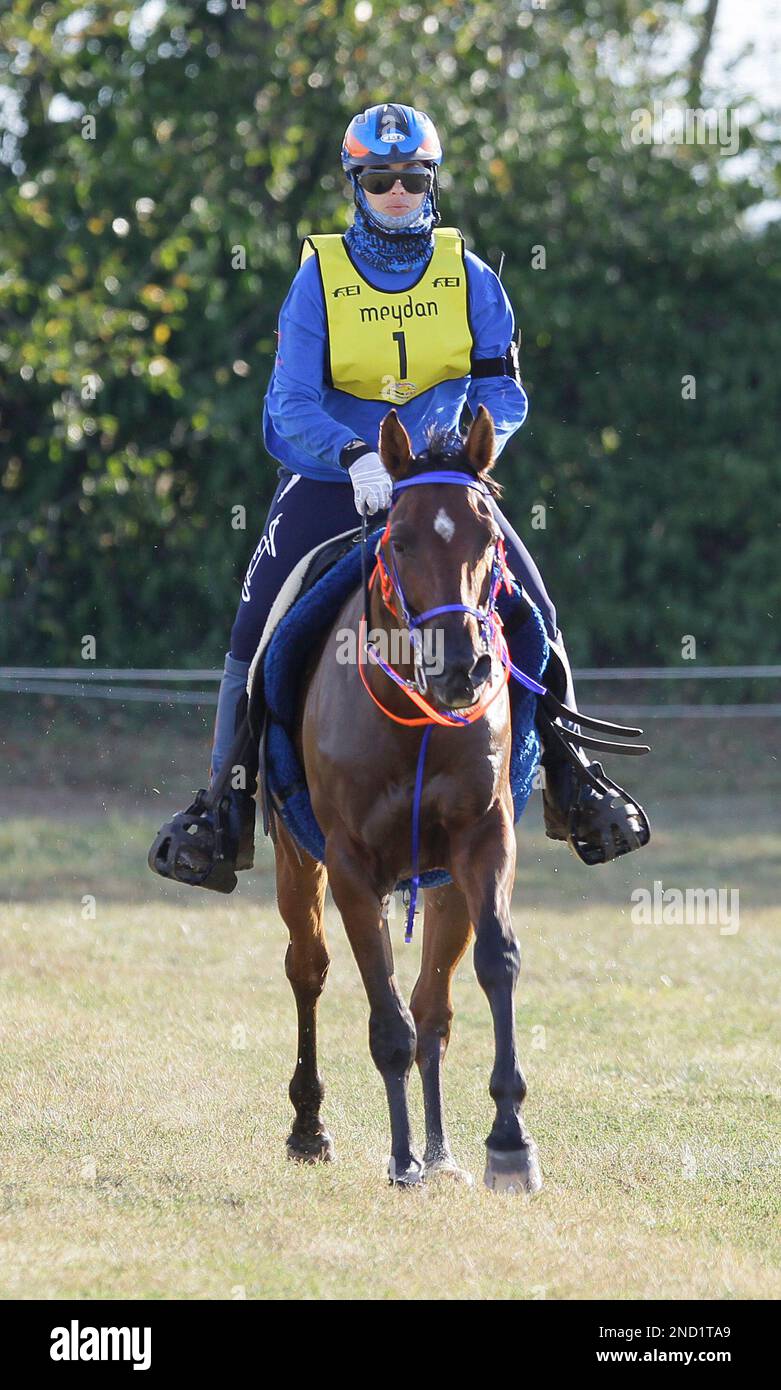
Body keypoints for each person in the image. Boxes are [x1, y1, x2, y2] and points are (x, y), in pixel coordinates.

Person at [149, 102, 648, 888]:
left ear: (431, 181)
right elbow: (287, 401)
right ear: (355, 181)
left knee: (538, 615)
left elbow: (505, 389)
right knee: (253, 631)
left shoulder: (471, 274)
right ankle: (222, 810)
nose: (395, 191)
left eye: (411, 177)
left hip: (440, 484)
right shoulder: (318, 276)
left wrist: (464, 452)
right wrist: (351, 454)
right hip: (331, 480)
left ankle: (573, 783)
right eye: (378, 178)